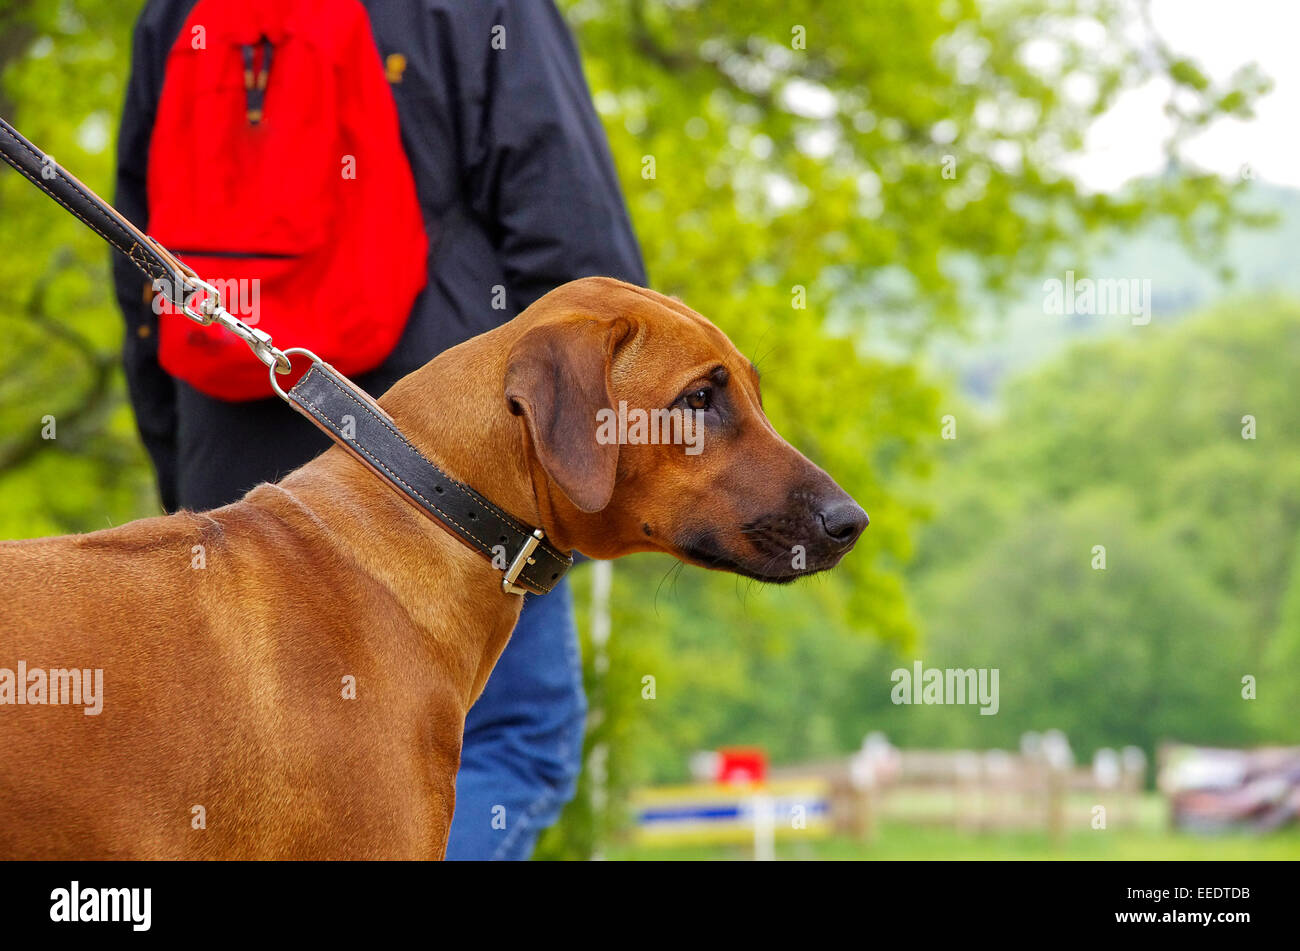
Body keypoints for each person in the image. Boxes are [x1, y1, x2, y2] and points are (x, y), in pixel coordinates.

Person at [112, 0, 646, 860]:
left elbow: (140, 260)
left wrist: (185, 472)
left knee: (251, 778)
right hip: (457, 478)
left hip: (235, 449)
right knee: (505, 742)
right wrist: (594, 476)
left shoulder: (174, 13)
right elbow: (579, 259)